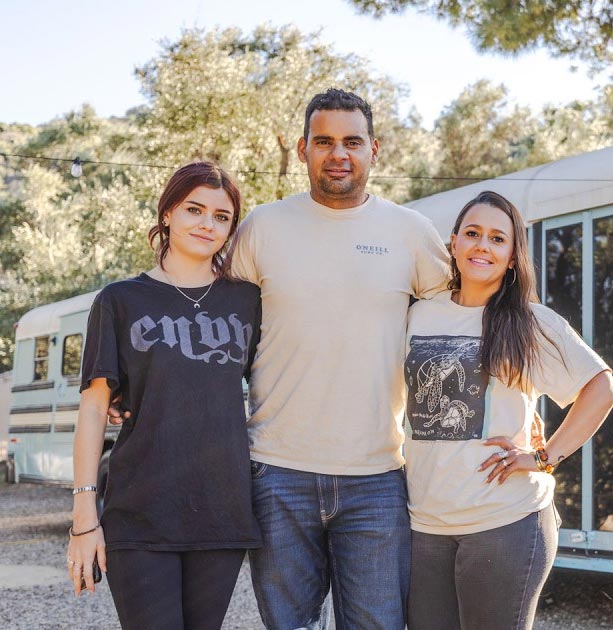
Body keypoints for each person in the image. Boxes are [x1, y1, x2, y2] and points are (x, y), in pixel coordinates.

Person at [227, 89, 450, 629]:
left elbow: (467, 320)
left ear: (375, 149)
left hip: (377, 476)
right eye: (323, 141)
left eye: (352, 141)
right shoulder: (261, 227)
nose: (338, 154)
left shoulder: (412, 233)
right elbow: (215, 326)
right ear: (302, 149)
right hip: (278, 470)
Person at [404, 191, 613, 630]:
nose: (482, 245)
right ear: (453, 243)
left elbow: (602, 389)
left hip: (503, 522)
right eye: (472, 233)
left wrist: (542, 457)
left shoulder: (530, 321)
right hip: (424, 524)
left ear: (512, 256)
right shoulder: (418, 315)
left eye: (497, 239)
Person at [67, 162, 261, 629]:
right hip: (140, 510)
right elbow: (94, 409)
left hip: (222, 510)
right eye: (194, 209)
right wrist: (83, 518)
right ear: (168, 214)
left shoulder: (249, 301)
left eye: (221, 216)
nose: (206, 224)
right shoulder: (120, 300)